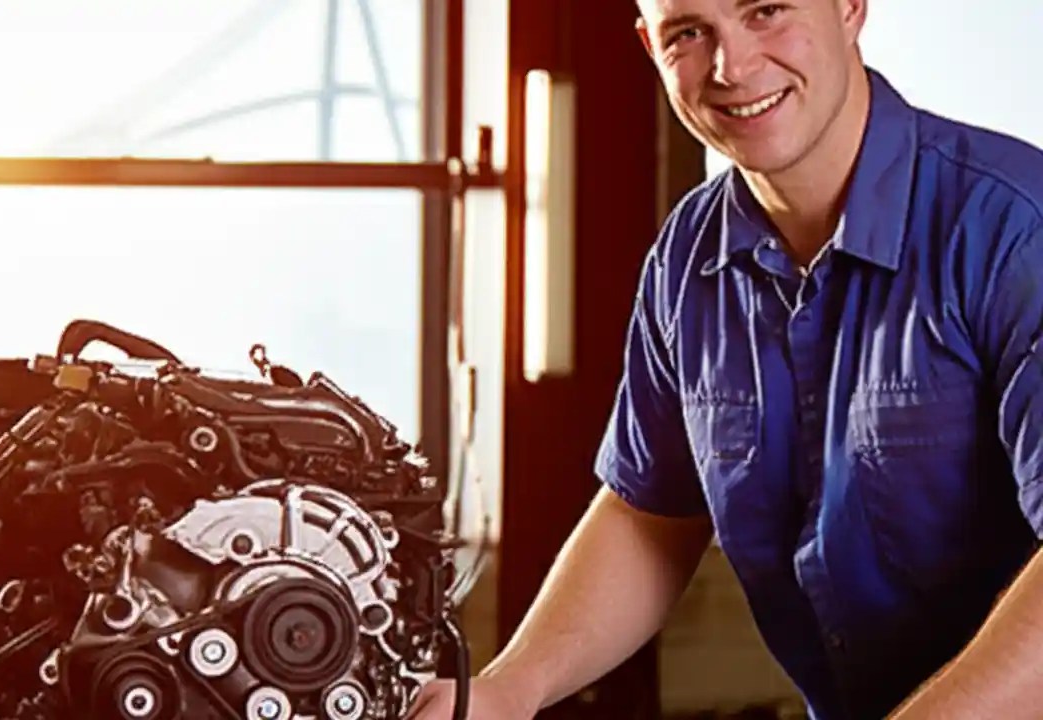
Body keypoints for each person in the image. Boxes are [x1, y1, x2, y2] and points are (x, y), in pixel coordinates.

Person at [408, 0, 1043, 718]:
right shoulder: (688, 256)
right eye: (689, 33)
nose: (731, 68)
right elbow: (650, 513)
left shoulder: (1018, 228)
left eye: (766, 11)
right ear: (651, 47)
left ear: (850, 7)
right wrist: (508, 690)